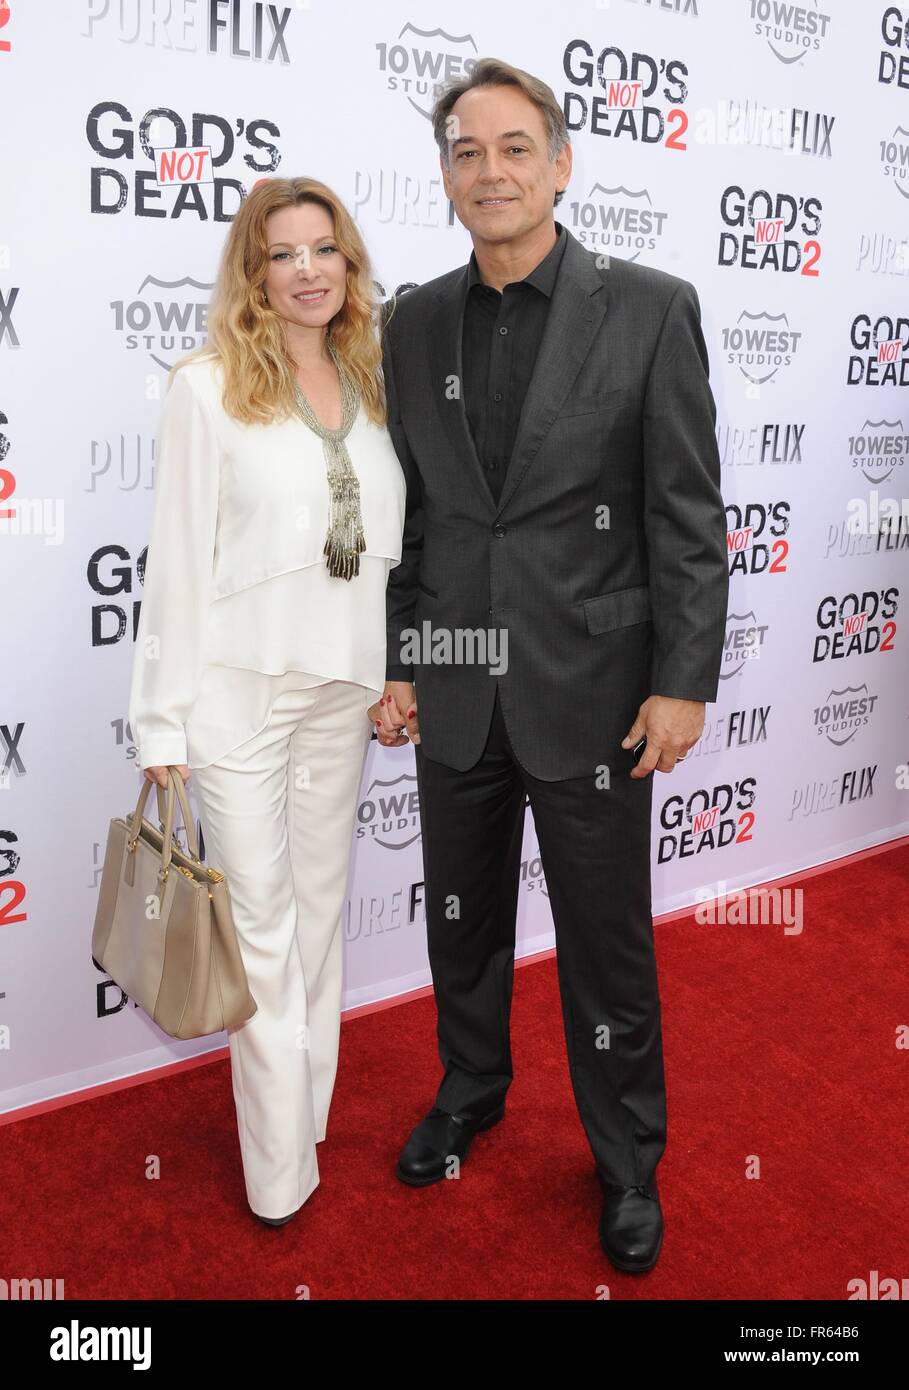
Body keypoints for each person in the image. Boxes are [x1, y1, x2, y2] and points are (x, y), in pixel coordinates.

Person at [369, 59, 729, 1273]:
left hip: (597, 691)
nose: (492, 172)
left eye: (516, 148)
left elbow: (686, 516)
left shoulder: (650, 307)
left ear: (563, 163)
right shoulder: (412, 321)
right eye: (467, 153)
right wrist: (408, 656)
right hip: (459, 680)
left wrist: (683, 679)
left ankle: (628, 1161)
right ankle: (470, 1089)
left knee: (604, 937)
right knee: (461, 922)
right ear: (447, 177)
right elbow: (420, 518)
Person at [129, 177, 406, 1227]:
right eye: (283, 253)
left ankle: (308, 1115)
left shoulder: (371, 377)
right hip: (238, 697)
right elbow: (176, 568)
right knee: (262, 934)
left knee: (321, 917)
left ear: (349, 263)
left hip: (340, 693)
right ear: (254, 272)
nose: (307, 271)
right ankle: (279, 1175)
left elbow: (389, 553)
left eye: (324, 249)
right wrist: (162, 720)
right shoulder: (206, 388)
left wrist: (391, 671)